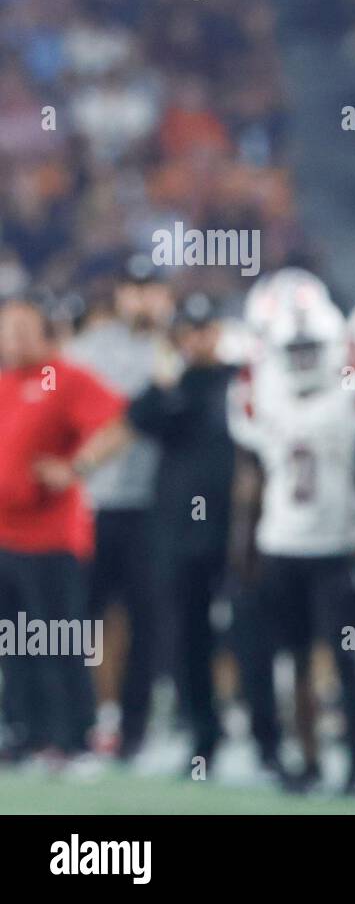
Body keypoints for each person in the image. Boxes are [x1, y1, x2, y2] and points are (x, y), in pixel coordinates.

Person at [227, 282, 355, 794]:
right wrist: (244, 546)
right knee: (295, 659)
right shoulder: (262, 391)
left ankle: (353, 766)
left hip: (336, 543)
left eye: (310, 348)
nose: (302, 357)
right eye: (293, 349)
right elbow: (250, 474)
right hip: (281, 543)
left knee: (345, 659)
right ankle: (307, 757)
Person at [0, 299, 129, 763]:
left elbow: (119, 423)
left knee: (58, 638)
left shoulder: (65, 377)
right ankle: (24, 733)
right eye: (4, 329)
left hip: (52, 538)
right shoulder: (4, 383)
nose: (10, 339)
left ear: (45, 331)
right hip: (5, 536)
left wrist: (77, 466)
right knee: (12, 643)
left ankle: (75, 736)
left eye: (20, 329)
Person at [63, 258, 172, 759]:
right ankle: (78, 722)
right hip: (94, 502)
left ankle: (133, 730)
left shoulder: (175, 349)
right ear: (119, 294)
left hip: (152, 506)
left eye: (150, 290)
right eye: (134, 289)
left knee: (145, 620)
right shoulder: (87, 351)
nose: (142, 299)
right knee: (79, 617)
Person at [124, 293, 237, 769]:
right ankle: (202, 735)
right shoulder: (174, 384)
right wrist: (163, 377)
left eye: (205, 328)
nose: (198, 339)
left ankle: (269, 737)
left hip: (238, 531)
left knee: (250, 633)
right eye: (189, 331)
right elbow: (137, 419)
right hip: (179, 533)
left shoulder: (236, 381)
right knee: (188, 635)